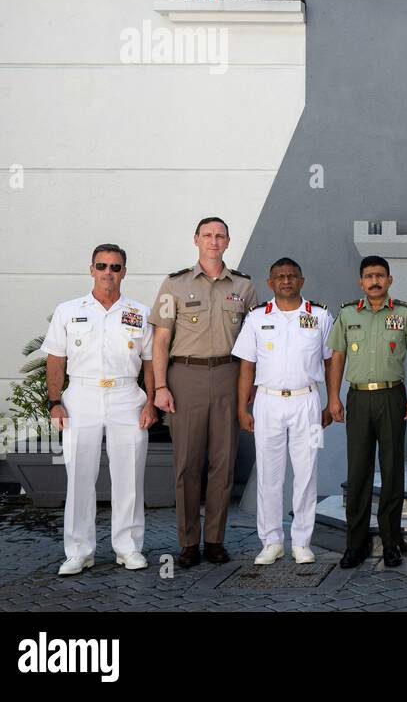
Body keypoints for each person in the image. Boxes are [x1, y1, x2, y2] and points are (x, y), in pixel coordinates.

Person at [42, 244, 157, 575]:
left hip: (126, 397)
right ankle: (79, 550)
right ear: (91, 269)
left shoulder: (140, 312)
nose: (109, 272)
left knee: (130, 477)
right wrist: (54, 402)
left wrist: (151, 401)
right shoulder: (68, 310)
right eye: (102, 266)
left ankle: (129, 547)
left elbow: (150, 362)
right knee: (79, 476)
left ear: (124, 271)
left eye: (116, 267)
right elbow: (55, 359)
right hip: (81, 396)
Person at [150, 217, 255, 567]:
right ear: (196, 239)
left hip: (228, 374)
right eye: (207, 235)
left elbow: (255, 343)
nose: (213, 241)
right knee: (187, 464)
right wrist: (161, 386)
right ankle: (188, 542)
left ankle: (214, 540)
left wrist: (249, 388)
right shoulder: (175, 284)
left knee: (223, 464)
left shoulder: (244, 286)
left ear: (228, 241)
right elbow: (161, 340)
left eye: (220, 236)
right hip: (186, 377)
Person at [233, 258, 333, 565]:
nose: (286, 281)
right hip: (267, 402)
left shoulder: (320, 316)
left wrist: (331, 402)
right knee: (269, 473)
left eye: (291, 276)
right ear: (270, 282)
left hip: (308, 401)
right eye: (280, 277)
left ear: (301, 281)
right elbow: (247, 365)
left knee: (307, 472)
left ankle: (302, 541)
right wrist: (242, 407)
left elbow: (331, 361)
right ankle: (271, 541)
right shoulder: (256, 318)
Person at [326, 255, 407, 569]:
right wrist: (333, 398)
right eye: (369, 276)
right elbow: (337, 356)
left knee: (393, 471)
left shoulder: (404, 313)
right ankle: (356, 545)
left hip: (392, 396)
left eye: (380, 275)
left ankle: (392, 542)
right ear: (361, 282)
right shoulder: (347, 313)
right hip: (358, 399)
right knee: (358, 474)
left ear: (389, 280)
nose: (375, 281)